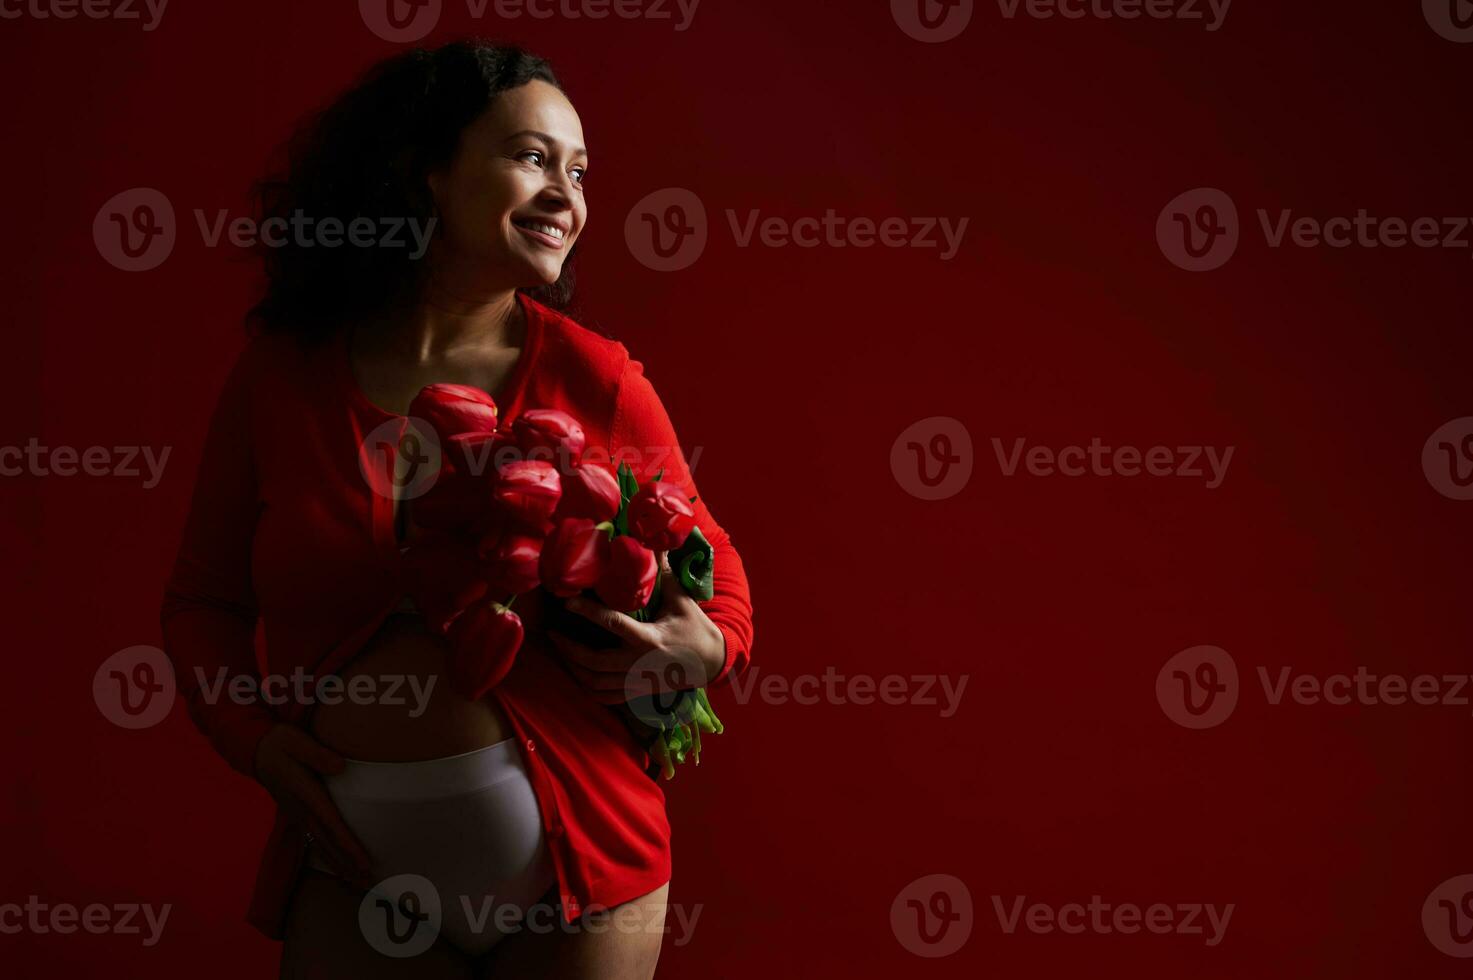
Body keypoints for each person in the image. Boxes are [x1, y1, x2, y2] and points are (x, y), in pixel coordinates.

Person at [158, 39, 754, 978]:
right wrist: (253, 742)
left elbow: (715, 567)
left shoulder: (594, 376)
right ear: (423, 171)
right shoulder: (280, 380)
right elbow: (203, 603)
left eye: (580, 170)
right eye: (529, 157)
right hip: (354, 866)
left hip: (580, 861)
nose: (567, 193)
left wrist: (703, 648)